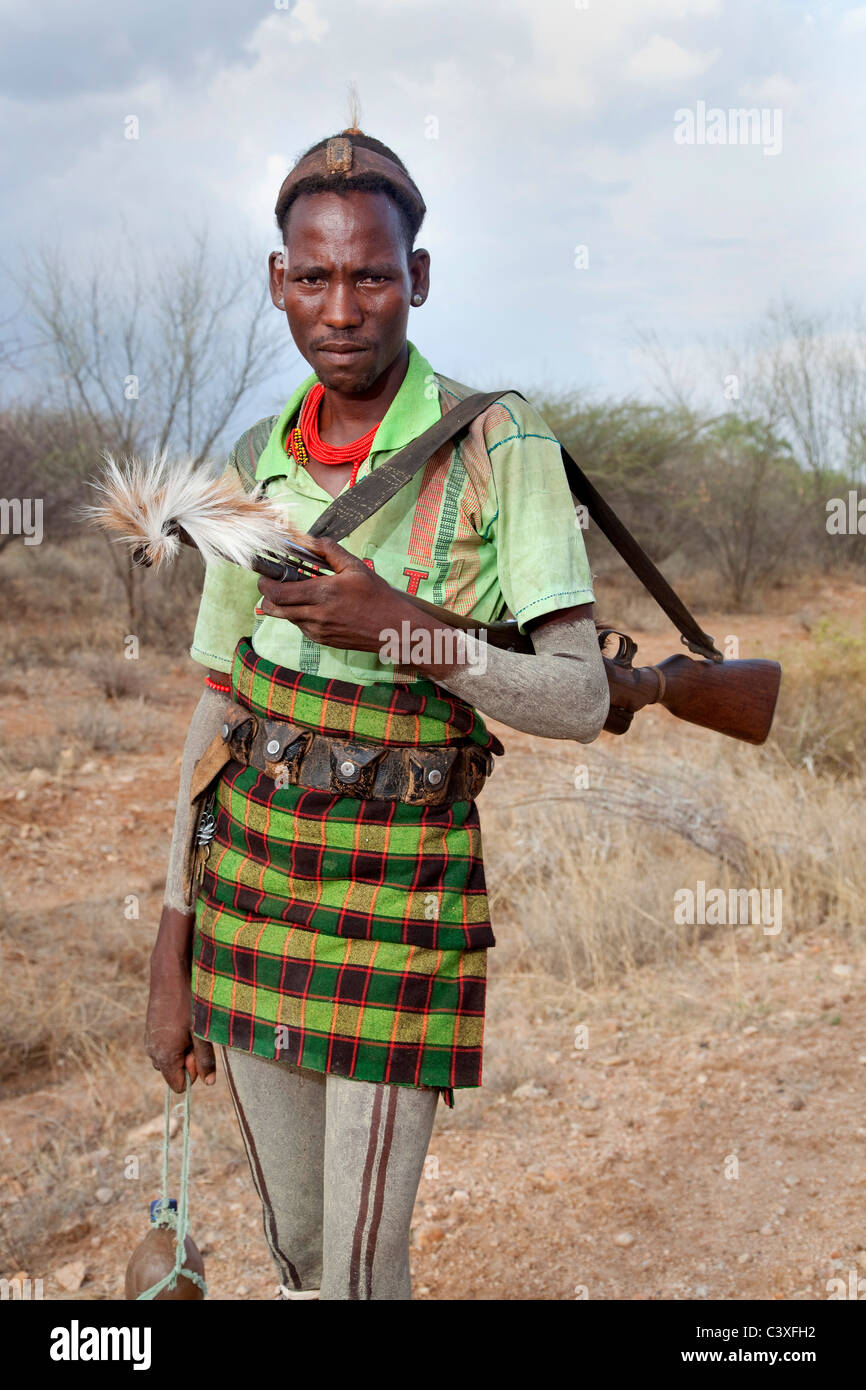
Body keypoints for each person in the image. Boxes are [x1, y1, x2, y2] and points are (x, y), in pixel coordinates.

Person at [145, 127, 610, 1302]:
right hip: (251, 882)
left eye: (369, 274)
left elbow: (577, 693)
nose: (340, 307)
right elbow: (217, 709)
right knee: (298, 1248)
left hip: (402, 890)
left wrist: (405, 628)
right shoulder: (253, 459)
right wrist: (171, 945)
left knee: (362, 1265)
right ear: (276, 282)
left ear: (418, 278)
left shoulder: (503, 442)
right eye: (312, 276)